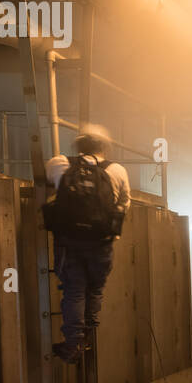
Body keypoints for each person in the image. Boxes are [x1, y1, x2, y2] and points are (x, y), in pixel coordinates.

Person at [44, 126, 131, 364]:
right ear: (104, 146)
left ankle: (73, 344)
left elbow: (50, 182)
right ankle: (90, 334)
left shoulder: (59, 162)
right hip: (102, 244)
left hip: (69, 242)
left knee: (74, 291)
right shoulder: (117, 170)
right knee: (95, 289)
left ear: (79, 145)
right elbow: (124, 203)